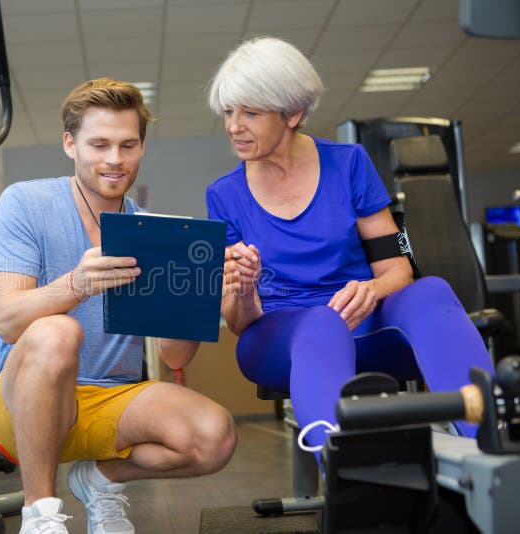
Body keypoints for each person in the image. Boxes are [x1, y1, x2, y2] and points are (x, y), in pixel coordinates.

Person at [204, 37, 495, 454]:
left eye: (250, 113)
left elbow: (398, 270)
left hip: (364, 320)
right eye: (229, 112)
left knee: (431, 291)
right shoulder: (224, 196)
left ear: (294, 113)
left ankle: (489, 446)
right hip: (277, 336)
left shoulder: (350, 163)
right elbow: (238, 322)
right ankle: (348, 478)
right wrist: (244, 289)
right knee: (321, 323)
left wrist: (373, 290)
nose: (234, 125)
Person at [0, 78, 236, 534]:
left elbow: (175, 357)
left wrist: (200, 295)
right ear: (69, 144)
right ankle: (40, 515)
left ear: (141, 147)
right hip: (18, 403)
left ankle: (99, 480)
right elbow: (9, 320)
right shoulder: (26, 202)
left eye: (127, 145)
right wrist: (76, 285)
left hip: (109, 401)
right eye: (99, 144)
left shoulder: (153, 231)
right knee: (58, 332)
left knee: (214, 437)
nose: (114, 160)